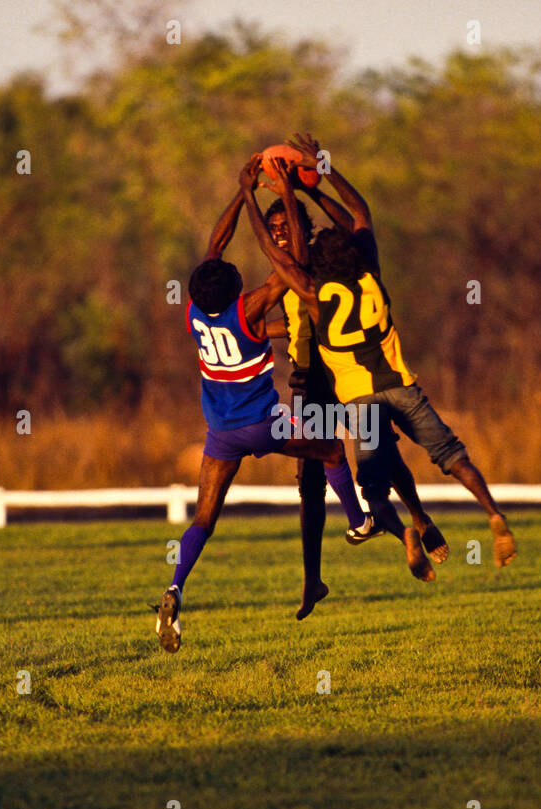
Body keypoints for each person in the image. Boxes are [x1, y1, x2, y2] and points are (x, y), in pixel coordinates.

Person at [154, 155, 391, 652]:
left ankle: (175, 588)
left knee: (203, 519)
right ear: (239, 288)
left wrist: (243, 192)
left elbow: (215, 246)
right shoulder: (253, 304)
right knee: (329, 450)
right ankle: (358, 520)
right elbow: (293, 263)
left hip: (220, 432)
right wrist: (278, 195)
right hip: (265, 424)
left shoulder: (195, 312)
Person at [254, 136, 519, 568]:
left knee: (380, 468)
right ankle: (443, 519)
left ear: (308, 236)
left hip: (349, 387)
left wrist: (277, 191)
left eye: (289, 228)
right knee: (328, 468)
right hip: (333, 381)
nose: (282, 235)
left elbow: (296, 257)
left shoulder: (307, 277)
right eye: (276, 229)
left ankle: (407, 521)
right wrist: (314, 178)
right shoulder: (360, 272)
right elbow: (360, 218)